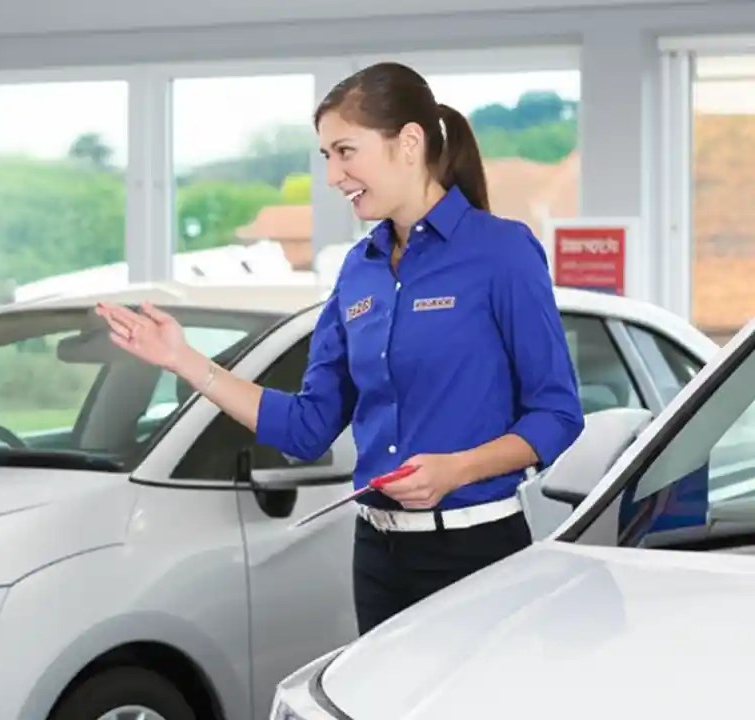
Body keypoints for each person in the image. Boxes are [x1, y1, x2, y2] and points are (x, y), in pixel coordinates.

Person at [96, 61, 585, 635]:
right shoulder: (360, 270)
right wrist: (183, 359)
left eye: (345, 151)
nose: (333, 174)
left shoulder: (501, 253)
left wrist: (457, 470)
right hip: (377, 557)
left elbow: (557, 415)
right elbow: (307, 426)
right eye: (327, 155)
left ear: (408, 143)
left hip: (477, 551)